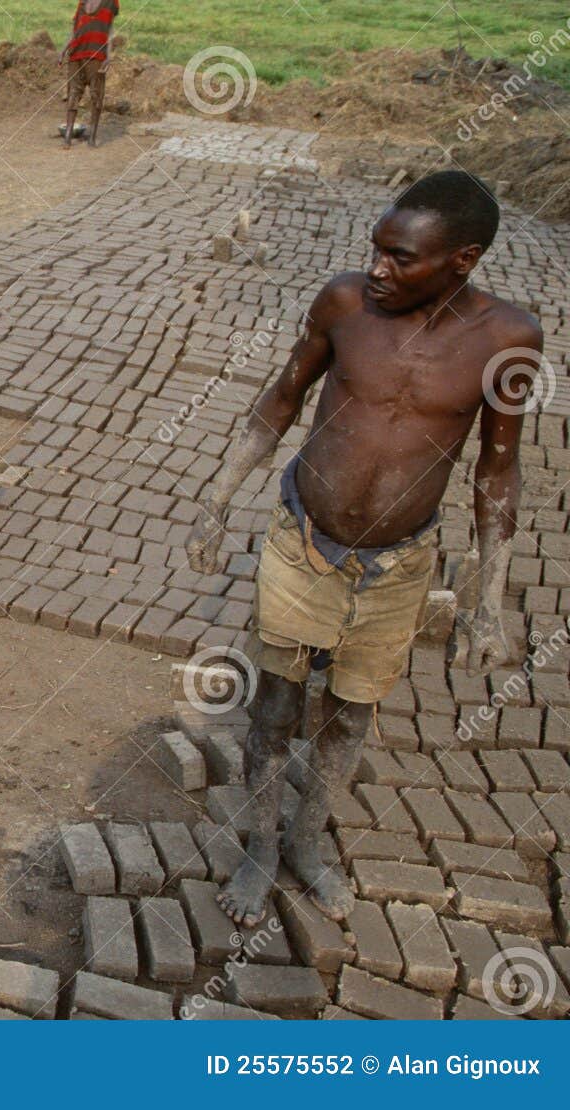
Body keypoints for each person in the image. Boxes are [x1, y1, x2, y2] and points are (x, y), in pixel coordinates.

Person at [185, 171, 542, 925]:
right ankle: (259, 846)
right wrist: (215, 502)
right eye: (376, 250)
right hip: (303, 545)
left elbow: (497, 473)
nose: (379, 269)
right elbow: (281, 399)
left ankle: (308, 843)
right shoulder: (345, 304)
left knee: (350, 715)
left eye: (401, 258)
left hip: (398, 566)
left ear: (462, 260)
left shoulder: (509, 339)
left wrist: (487, 607)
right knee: (274, 708)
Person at [63, 0, 118, 149]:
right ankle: (67, 136)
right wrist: (64, 49)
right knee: (73, 93)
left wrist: (108, 56)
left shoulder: (110, 3)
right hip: (76, 54)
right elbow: (74, 28)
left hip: (97, 54)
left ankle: (92, 137)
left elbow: (110, 30)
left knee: (96, 96)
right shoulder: (82, 3)